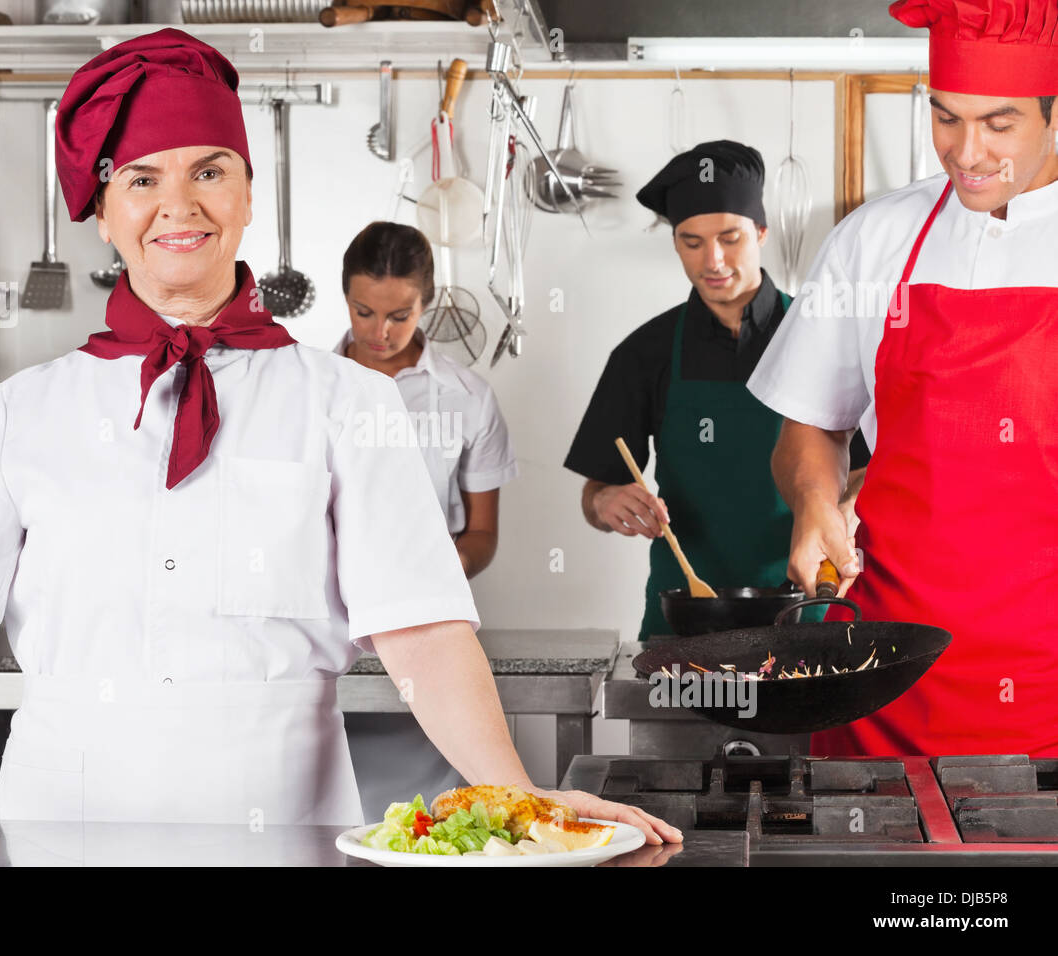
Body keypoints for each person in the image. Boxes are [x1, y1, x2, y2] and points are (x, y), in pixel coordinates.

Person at [0, 29, 682, 841]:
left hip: (284, 835)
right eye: (142, 178)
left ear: (250, 194)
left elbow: (424, 630)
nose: (180, 204)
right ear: (104, 211)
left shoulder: (347, 402)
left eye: (209, 170)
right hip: (62, 828)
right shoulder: (28, 409)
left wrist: (520, 797)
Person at [747, 0, 1058, 756]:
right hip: (886, 670)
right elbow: (809, 429)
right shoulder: (877, 239)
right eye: (946, 117)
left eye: (999, 123)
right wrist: (816, 498)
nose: (967, 152)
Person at [565, 141, 869, 641]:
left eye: (730, 238)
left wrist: (846, 507)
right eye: (691, 241)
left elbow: (864, 470)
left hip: (811, 611)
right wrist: (606, 503)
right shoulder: (644, 353)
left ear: (762, 232)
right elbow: (595, 494)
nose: (714, 259)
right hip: (685, 617)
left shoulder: (823, 336)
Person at [333, 222, 518, 822]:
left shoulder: (467, 398)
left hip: (431, 643)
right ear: (345, 297)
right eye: (364, 312)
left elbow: (483, 536)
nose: (380, 332)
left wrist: (431, 566)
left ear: (427, 303)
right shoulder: (311, 390)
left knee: (432, 825)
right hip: (328, 641)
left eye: (400, 315)